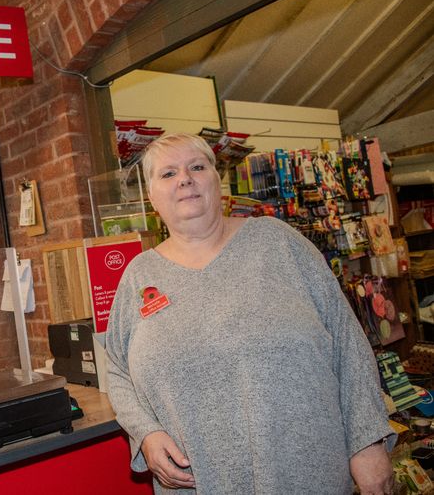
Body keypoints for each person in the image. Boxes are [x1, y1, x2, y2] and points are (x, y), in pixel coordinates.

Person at [105, 133, 395, 494]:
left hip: (307, 475)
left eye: (197, 166)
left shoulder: (278, 243)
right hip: (200, 484)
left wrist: (368, 443)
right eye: (168, 174)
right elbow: (115, 368)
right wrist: (145, 432)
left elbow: (348, 341)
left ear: (216, 179)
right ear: (151, 196)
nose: (185, 179)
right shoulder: (139, 275)